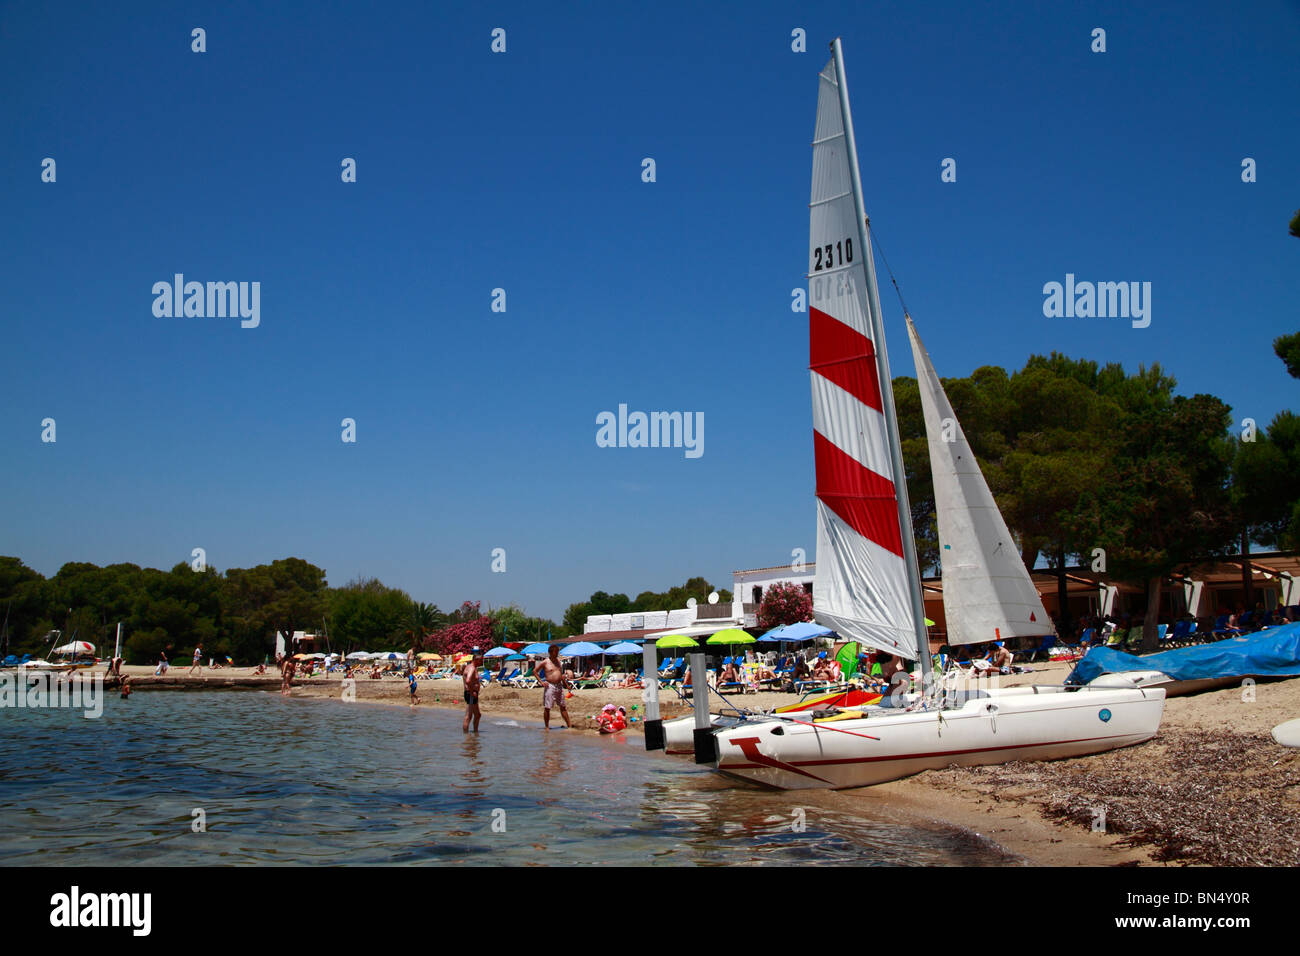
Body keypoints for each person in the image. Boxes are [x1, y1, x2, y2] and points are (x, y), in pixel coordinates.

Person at [538, 645, 571, 729]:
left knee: (563, 706)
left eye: (557, 652)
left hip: (559, 685)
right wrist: (541, 682)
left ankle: (569, 725)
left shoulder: (558, 661)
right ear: (550, 653)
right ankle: (547, 726)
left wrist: (566, 685)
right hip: (550, 686)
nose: (557, 654)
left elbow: (560, 675)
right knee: (547, 707)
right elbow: (535, 671)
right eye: (555, 652)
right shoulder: (545, 662)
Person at [462, 648, 483, 732]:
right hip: (471, 694)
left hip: (472, 693)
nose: (481, 662)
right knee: (469, 716)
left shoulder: (471, 667)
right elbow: (468, 680)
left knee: (477, 715)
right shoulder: (472, 668)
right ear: (476, 660)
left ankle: (475, 733)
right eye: (480, 660)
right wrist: (472, 692)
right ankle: (467, 737)